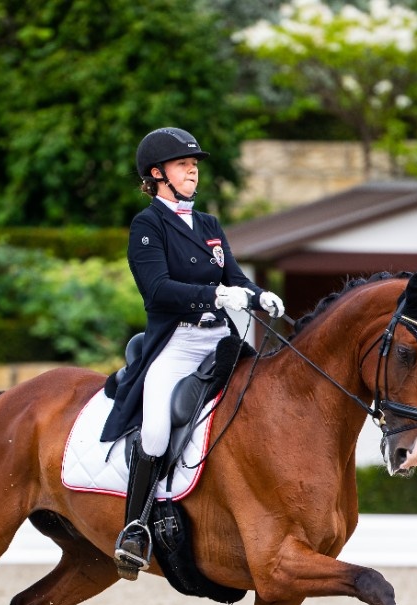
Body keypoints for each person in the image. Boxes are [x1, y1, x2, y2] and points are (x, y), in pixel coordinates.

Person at [100, 127, 285, 579]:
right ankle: (136, 527)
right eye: (184, 165)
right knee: (158, 427)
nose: (193, 171)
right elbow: (158, 290)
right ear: (157, 174)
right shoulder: (148, 226)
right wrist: (216, 296)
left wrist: (259, 296)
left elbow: (236, 277)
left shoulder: (208, 225)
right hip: (178, 341)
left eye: (195, 165)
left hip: (219, 339)